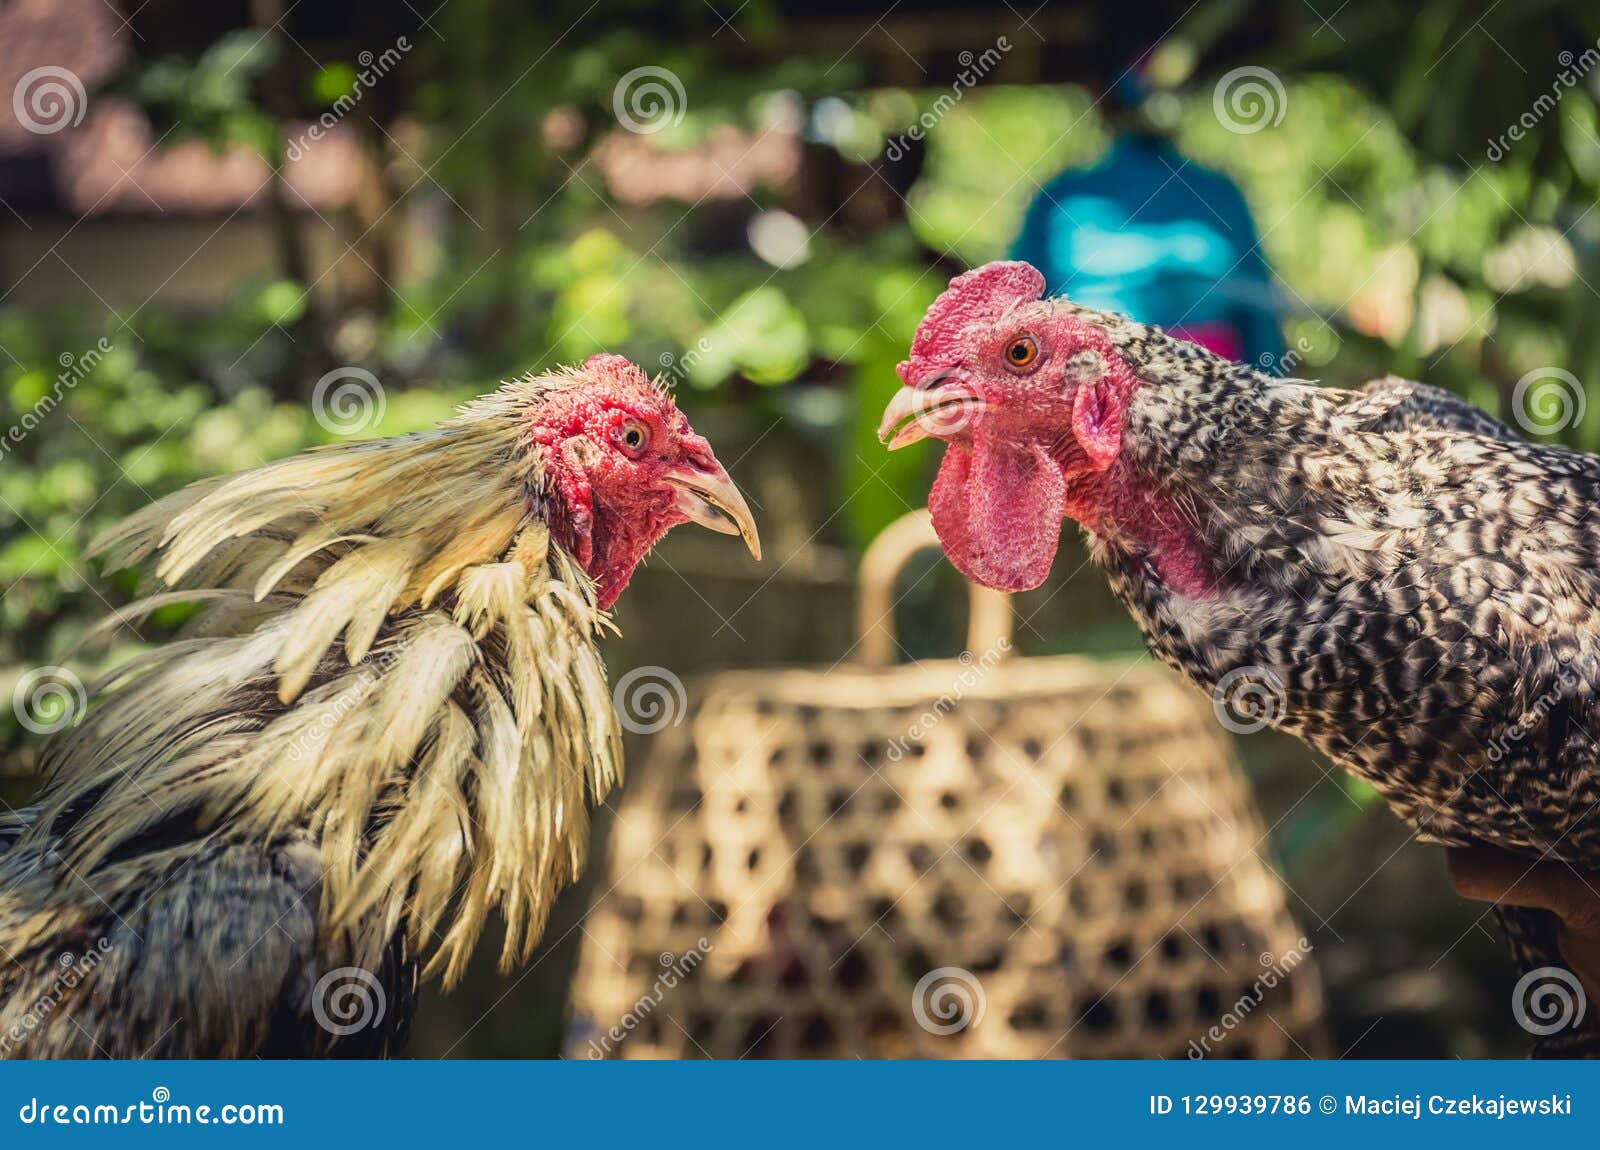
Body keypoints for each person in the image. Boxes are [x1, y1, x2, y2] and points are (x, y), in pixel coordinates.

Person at [1010, 70, 1282, 366]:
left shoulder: (1062, 194)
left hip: (1090, 378)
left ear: (1101, 104)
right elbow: (1260, 317)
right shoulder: (1220, 192)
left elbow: (1018, 307)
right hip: (1207, 384)